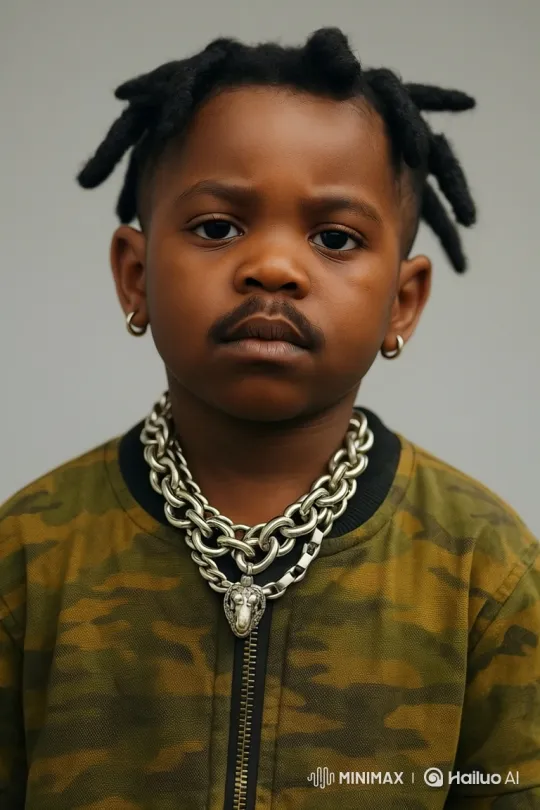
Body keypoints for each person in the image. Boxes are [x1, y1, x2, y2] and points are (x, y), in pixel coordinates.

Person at [0, 27, 538, 810]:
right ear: (136, 278)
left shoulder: (486, 569)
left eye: (334, 237)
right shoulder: (27, 555)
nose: (275, 268)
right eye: (218, 227)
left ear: (403, 301)